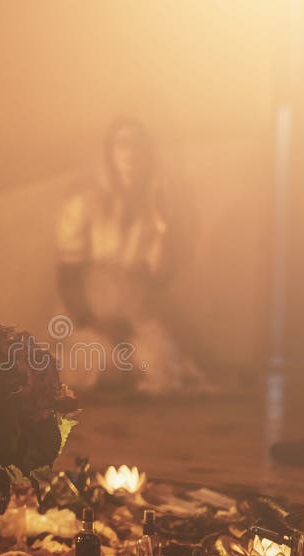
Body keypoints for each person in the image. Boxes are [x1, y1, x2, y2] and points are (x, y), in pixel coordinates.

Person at [56, 117, 202, 395]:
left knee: (160, 370)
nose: (132, 153)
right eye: (123, 145)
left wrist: (162, 227)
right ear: (110, 154)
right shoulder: (84, 205)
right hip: (90, 320)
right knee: (98, 368)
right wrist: (93, 322)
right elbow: (68, 277)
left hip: (136, 321)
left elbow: (159, 279)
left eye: (139, 146)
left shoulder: (154, 210)